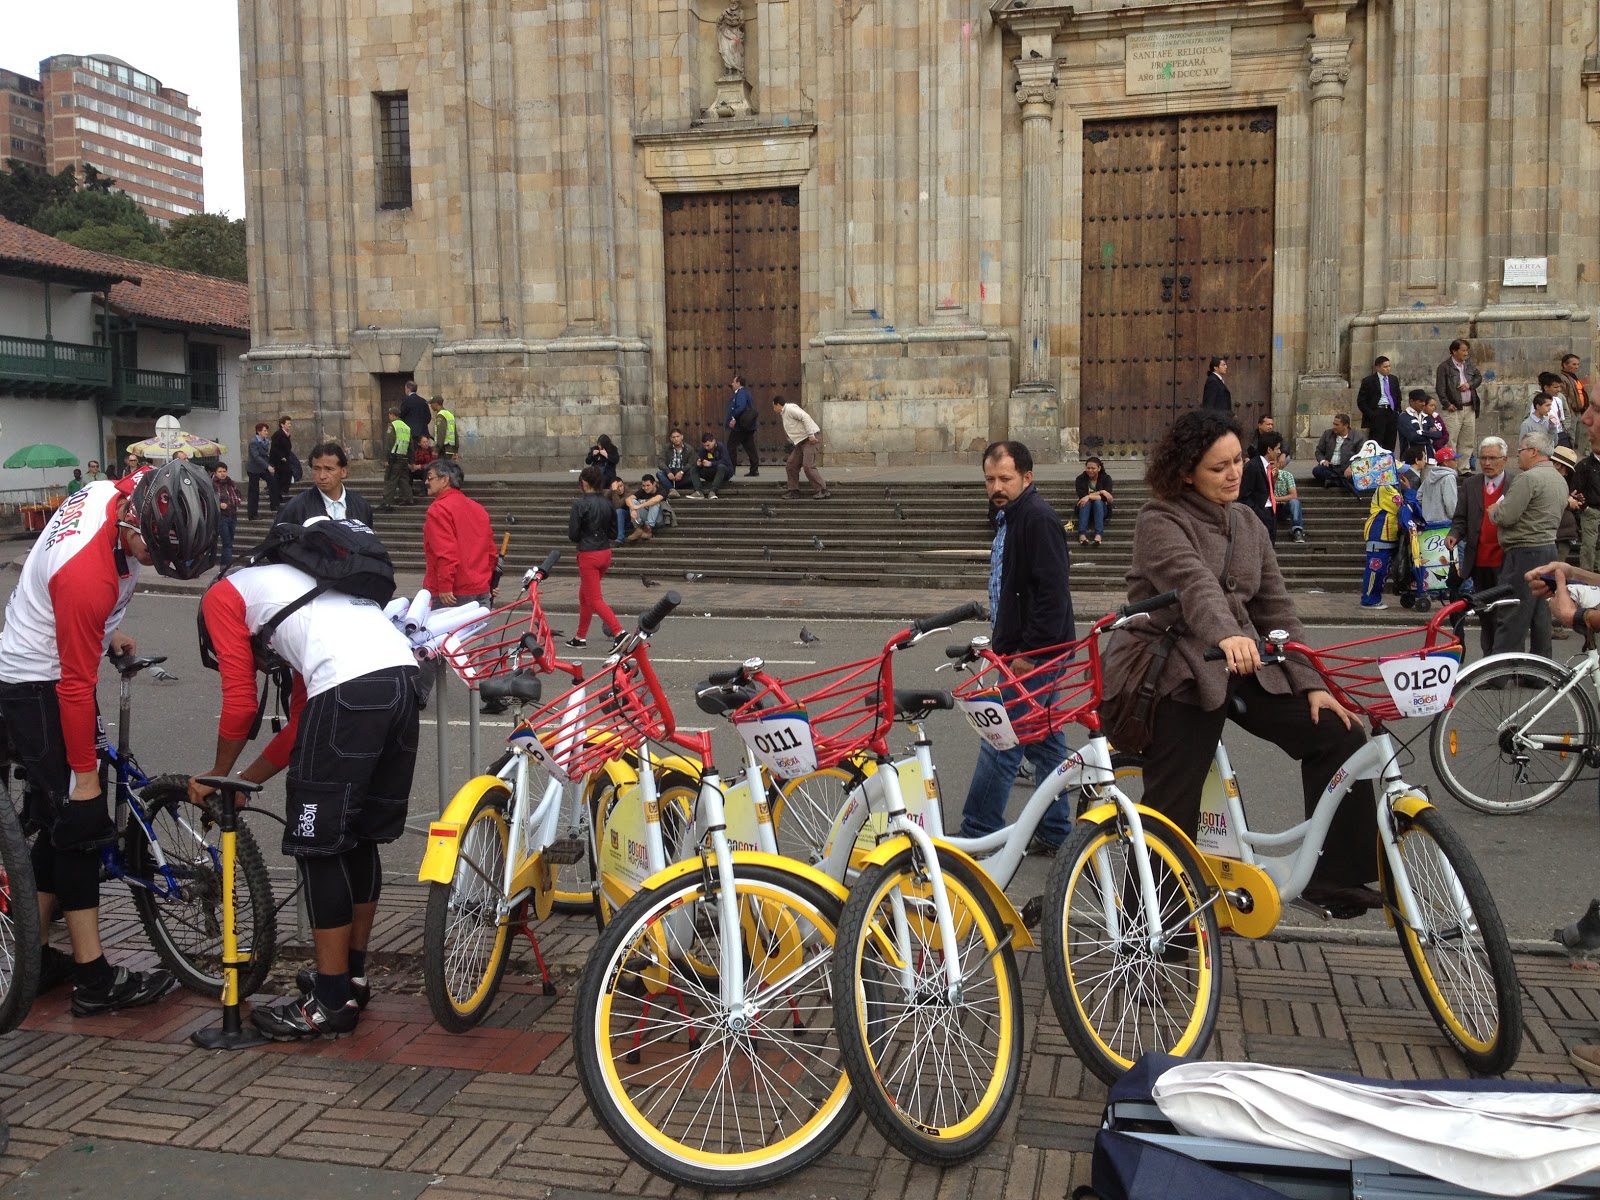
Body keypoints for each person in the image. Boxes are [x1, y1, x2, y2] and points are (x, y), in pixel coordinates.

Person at [1105, 408, 1381, 915]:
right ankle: (1151, 940)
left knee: (1338, 734)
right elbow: (1193, 584)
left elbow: (1276, 606)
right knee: (1173, 805)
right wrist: (1228, 634)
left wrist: (1311, 682)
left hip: (1242, 662)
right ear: (1187, 472)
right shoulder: (1160, 519)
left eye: (1239, 461)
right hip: (1173, 668)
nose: (1234, 473)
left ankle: (1334, 876)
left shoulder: (1249, 521)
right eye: (1219, 467)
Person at [0, 460, 217, 1014]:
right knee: (81, 823)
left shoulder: (116, 492)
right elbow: (74, 688)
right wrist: (87, 779)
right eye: (154, 554)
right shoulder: (86, 576)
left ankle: (31, 954)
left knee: (54, 820)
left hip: (59, 654)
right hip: (38, 682)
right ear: (132, 523)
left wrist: (103, 630)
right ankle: (93, 979)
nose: (153, 564)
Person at [191, 519, 420, 1040]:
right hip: (402, 677)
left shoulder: (223, 598)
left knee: (320, 847)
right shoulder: (303, 588)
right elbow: (300, 727)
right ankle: (352, 977)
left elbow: (241, 703)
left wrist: (217, 776)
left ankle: (330, 1001)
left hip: (350, 686)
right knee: (358, 837)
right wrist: (247, 781)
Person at [957, 441, 1076, 855]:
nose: (996, 486)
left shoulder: (1037, 519)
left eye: (1005, 478)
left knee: (1002, 737)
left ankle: (977, 831)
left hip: (1036, 655)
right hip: (1024, 650)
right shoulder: (1010, 516)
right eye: (990, 479)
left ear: (1027, 478)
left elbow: (1052, 595)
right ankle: (1058, 829)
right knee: (1045, 740)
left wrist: (1028, 653)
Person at [1488, 430, 1566, 658]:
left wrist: (1494, 512)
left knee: (1513, 611)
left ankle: (1500, 669)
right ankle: (1539, 670)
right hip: (1548, 547)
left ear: (1533, 451)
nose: (1518, 456)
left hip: (1524, 550)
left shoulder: (1528, 478)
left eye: (1521, 451)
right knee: (1540, 614)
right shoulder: (1558, 478)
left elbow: (1507, 516)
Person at [1445, 437, 1514, 654]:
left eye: (1492, 458)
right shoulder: (1470, 484)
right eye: (1483, 458)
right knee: (1486, 616)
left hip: (1506, 561)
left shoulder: (1516, 483)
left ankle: (1508, 662)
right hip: (1479, 561)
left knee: (1507, 615)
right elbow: (1460, 519)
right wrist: (1454, 534)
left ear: (1504, 459)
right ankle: (1489, 661)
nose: (1487, 463)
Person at [1361, 445, 1426, 609]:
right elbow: (1403, 509)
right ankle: (1369, 600)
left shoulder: (1392, 488)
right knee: (1376, 568)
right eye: (1399, 472)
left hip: (1388, 533)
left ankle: (1373, 598)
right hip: (1379, 532)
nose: (1402, 475)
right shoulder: (1387, 488)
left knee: (1382, 569)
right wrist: (1409, 491)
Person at [567, 464, 624, 649]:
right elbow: (614, 533)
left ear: (583, 482)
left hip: (588, 553)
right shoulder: (607, 502)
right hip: (605, 552)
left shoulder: (580, 504)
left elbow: (573, 535)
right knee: (585, 595)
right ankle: (580, 636)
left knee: (594, 599)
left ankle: (619, 632)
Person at [279, 441, 376, 527]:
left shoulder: (361, 506)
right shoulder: (296, 508)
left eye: (329, 469)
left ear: (343, 471)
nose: (322, 476)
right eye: (316, 469)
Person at [1435, 338, 1482, 469]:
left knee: (1467, 440)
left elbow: (1478, 377)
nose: (1466, 353)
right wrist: (1446, 403)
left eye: (1467, 351)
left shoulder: (1468, 365)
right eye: (1463, 351)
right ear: (1454, 351)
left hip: (1469, 406)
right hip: (1453, 408)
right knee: (1451, 440)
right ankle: (1451, 467)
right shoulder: (1444, 367)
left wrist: (1469, 384)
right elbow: (1440, 388)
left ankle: (1464, 468)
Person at [772, 395, 830, 498]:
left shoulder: (790, 408)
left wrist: (811, 435)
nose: (773, 409)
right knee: (791, 465)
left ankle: (822, 489)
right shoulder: (784, 413)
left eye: (774, 406)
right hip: (801, 441)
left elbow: (805, 417)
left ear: (778, 405)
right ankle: (794, 490)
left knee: (808, 465)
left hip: (810, 439)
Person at [1238, 429, 1280, 542]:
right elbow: (1243, 496)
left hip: (1271, 513)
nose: (1279, 452)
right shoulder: (1253, 466)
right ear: (1269, 449)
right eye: (1277, 448)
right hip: (1260, 514)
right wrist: (1258, 512)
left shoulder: (1268, 467)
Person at [1355, 356, 1400, 451]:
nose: (1388, 369)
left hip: (1391, 412)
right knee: (1376, 442)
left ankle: (1389, 462)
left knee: (1390, 442)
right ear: (1378, 368)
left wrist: (1397, 411)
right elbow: (1361, 400)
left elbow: (1398, 396)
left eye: (1389, 366)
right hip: (1377, 412)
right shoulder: (1368, 381)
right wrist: (1371, 414)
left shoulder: (1393, 379)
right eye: (1385, 367)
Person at [1269, 440, 1305, 542]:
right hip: (1269, 508)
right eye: (1269, 464)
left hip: (1282, 506)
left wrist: (1275, 498)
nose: (1271, 466)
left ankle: (1297, 530)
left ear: (1277, 464)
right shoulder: (1262, 475)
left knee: (1295, 502)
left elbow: (1293, 495)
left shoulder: (1287, 475)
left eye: (1273, 463)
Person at [1312, 413, 1359, 490]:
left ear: (1346, 426)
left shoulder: (1358, 437)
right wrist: (1323, 460)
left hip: (1346, 468)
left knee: (1357, 476)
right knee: (1317, 470)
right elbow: (1319, 451)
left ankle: (1335, 481)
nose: (1334, 427)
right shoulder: (1327, 434)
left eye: (1337, 425)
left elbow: (1362, 455)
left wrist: (1351, 467)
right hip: (1331, 468)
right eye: (1333, 424)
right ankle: (1340, 481)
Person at [1073, 456, 1114, 545]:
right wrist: (1101, 492)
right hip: (1085, 508)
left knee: (1098, 502)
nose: (1090, 470)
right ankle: (1082, 534)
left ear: (1099, 468)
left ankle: (1098, 534)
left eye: (1093, 468)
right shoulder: (1080, 479)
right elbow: (1082, 496)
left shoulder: (1106, 479)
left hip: (1101, 509)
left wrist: (1089, 496)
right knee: (1086, 502)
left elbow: (1106, 498)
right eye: (1088, 468)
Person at [725, 370, 759, 477]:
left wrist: (734, 418)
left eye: (734, 382)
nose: (732, 384)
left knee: (730, 447)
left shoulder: (741, 393)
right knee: (750, 447)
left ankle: (731, 470)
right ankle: (754, 469)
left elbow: (741, 407)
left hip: (740, 427)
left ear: (738, 383)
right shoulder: (745, 393)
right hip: (747, 427)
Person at [381, 406, 413, 510]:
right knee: (404, 479)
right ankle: (408, 498)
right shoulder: (406, 427)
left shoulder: (393, 426)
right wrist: (411, 460)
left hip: (394, 458)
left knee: (391, 479)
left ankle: (386, 502)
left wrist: (386, 459)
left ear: (393, 415)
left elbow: (389, 443)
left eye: (389, 415)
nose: (389, 417)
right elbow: (411, 446)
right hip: (404, 458)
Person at [213, 461, 241, 576]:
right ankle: (226, 566)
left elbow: (237, 496)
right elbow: (210, 498)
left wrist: (234, 502)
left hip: (232, 515)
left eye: (224, 471)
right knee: (227, 542)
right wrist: (219, 504)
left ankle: (224, 566)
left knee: (229, 542)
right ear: (215, 473)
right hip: (221, 516)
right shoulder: (213, 484)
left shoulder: (231, 483)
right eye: (220, 472)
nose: (222, 474)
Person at [1533, 372, 1571, 448]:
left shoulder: (1558, 400)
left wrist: (1565, 429)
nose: (1559, 390)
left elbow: (1563, 417)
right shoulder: (1536, 401)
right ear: (1546, 387)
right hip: (1545, 435)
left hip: (1560, 434)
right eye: (1555, 387)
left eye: (1559, 387)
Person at [625, 474, 667, 542]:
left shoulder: (661, 490)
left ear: (654, 484)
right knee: (633, 501)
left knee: (654, 503)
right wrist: (633, 509)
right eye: (644, 486)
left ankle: (648, 530)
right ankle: (637, 529)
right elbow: (628, 499)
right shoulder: (642, 491)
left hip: (659, 519)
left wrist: (639, 506)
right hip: (646, 517)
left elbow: (655, 500)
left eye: (648, 485)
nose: (646, 488)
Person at [1398, 389, 1437, 459]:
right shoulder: (1403, 417)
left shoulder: (1426, 416)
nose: (1423, 404)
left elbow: (1438, 435)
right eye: (1420, 401)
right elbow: (1412, 437)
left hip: (1429, 456)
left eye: (1424, 401)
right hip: (1411, 459)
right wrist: (1429, 435)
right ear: (1411, 401)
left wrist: (1421, 433)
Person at [693, 432, 733, 499]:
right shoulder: (703, 450)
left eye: (708, 445)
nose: (706, 448)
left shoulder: (721, 447)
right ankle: (698, 491)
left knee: (721, 467)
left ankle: (713, 491)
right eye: (704, 446)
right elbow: (699, 458)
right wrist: (699, 463)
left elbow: (725, 461)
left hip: (723, 472)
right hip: (710, 472)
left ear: (713, 441)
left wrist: (711, 464)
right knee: (693, 469)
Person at [246, 422, 274, 519]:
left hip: (262, 467)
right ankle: (252, 514)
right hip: (253, 469)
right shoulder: (254, 442)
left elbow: (265, 456)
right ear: (259, 432)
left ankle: (274, 505)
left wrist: (270, 466)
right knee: (254, 491)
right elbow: (256, 457)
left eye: (267, 430)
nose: (266, 432)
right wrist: (267, 466)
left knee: (273, 481)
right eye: (264, 431)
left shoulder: (266, 441)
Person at [269, 415, 296, 507]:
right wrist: (281, 457)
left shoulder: (286, 434)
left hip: (284, 459)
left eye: (290, 423)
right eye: (288, 423)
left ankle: (280, 494)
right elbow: (274, 448)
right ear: (282, 424)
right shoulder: (279, 434)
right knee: (283, 476)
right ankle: (278, 495)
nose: (290, 425)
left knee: (288, 473)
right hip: (279, 461)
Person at [399, 380, 432, 450]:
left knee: (414, 455)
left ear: (408, 389)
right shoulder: (423, 401)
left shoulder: (406, 401)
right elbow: (428, 417)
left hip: (411, 433)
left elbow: (401, 415)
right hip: (423, 433)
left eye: (405, 389)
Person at [661, 428, 692, 497]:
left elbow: (690, 463)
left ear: (682, 437)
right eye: (674, 437)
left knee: (693, 474)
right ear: (671, 439)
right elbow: (661, 461)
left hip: (682, 472)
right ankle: (671, 489)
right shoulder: (666, 448)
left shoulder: (689, 449)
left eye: (678, 436)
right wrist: (668, 472)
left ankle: (672, 485)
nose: (676, 439)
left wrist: (682, 472)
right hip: (670, 471)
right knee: (659, 474)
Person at [1560, 352, 1588, 419]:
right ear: (1565, 365)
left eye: (1578, 364)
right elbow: (1562, 396)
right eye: (1574, 364)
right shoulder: (1562, 378)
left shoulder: (1574, 378)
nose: (1576, 367)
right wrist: (1569, 411)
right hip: (1571, 413)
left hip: (1579, 411)